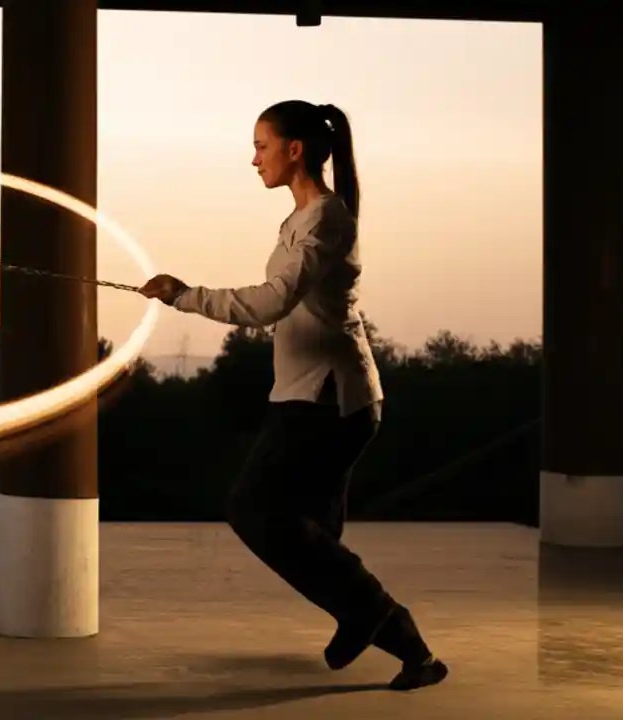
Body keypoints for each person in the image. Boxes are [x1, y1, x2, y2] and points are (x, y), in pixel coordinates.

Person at [139, 100, 447, 691]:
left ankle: (384, 622)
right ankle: (388, 635)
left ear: (295, 149)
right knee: (311, 533)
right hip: (308, 397)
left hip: (330, 403)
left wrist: (184, 294)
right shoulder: (299, 221)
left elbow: (269, 302)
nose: (253, 158)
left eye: (261, 145)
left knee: (256, 511)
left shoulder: (326, 220)